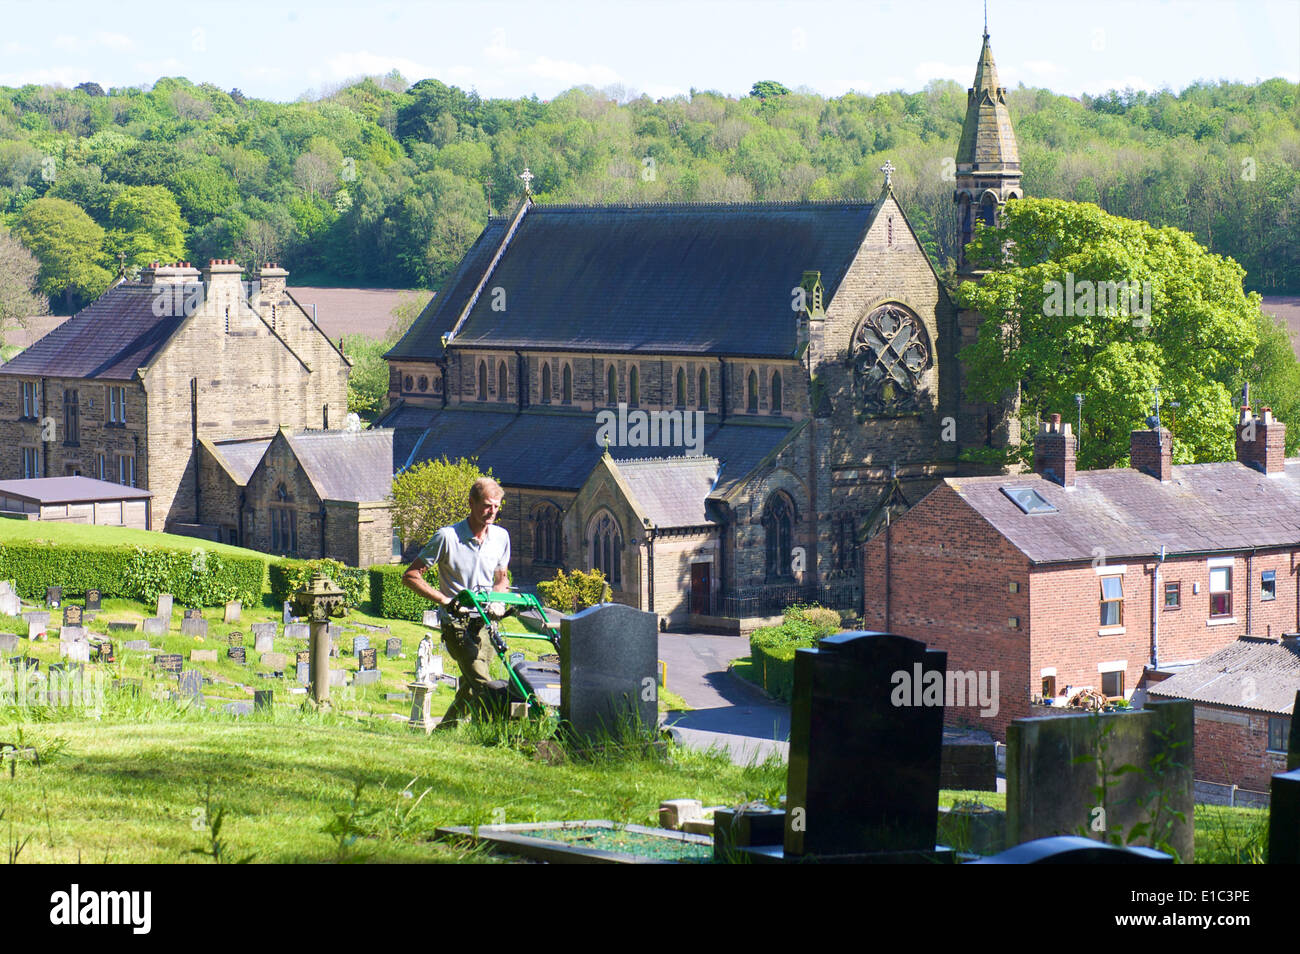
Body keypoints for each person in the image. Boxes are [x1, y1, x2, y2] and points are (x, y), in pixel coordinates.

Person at [402, 476, 511, 728]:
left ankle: (444, 732)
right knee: (484, 684)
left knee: (471, 685)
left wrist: (498, 599)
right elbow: (411, 575)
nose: (492, 511)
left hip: (487, 622)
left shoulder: (501, 537)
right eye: (486, 505)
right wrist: (445, 600)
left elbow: (501, 577)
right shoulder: (447, 537)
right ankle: (497, 733)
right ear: (471, 503)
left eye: (496, 506)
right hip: (457, 623)